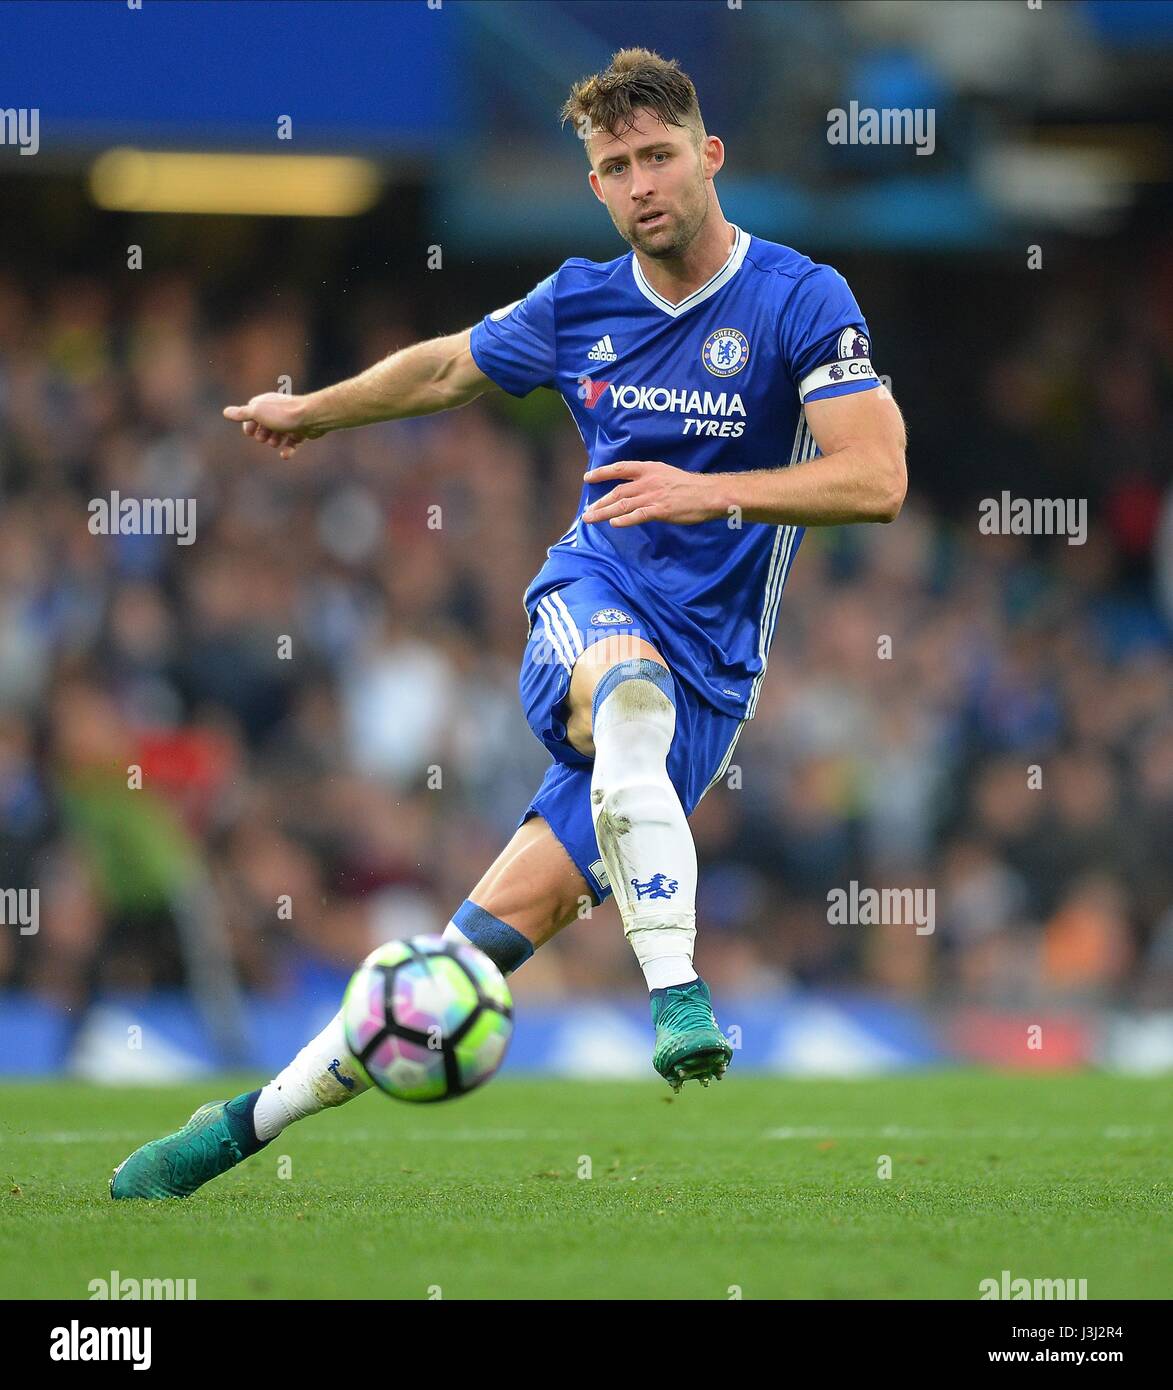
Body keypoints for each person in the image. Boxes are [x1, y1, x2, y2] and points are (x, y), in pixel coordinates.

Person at [111, 48, 905, 1199]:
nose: (640, 183)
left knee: (454, 970)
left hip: (715, 684)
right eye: (615, 165)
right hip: (590, 601)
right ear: (593, 185)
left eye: (658, 156)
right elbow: (444, 369)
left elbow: (876, 477)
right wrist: (314, 413)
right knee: (627, 694)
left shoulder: (799, 298)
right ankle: (680, 998)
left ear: (709, 156)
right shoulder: (578, 301)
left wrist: (712, 489)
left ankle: (242, 1120)